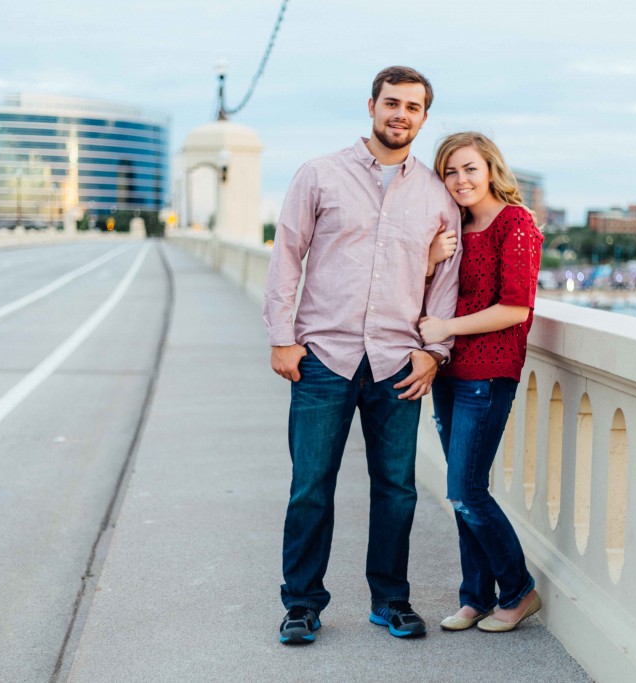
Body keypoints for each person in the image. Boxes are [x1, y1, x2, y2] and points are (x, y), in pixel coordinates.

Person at [262, 66, 462, 645]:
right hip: (324, 356)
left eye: (413, 107)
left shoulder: (435, 195)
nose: (401, 115)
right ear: (371, 106)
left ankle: (391, 600)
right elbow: (287, 257)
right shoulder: (319, 175)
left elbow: (443, 283)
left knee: (396, 487)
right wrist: (282, 336)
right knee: (310, 485)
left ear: (424, 117)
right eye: (392, 103)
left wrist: (435, 351)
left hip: (398, 360)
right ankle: (301, 604)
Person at [418, 131, 544, 633]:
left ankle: (518, 592)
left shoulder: (515, 223)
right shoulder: (453, 225)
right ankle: (475, 597)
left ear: (490, 168)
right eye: (450, 171)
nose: (460, 179)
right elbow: (427, 291)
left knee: (467, 490)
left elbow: (515, 307)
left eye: (469, 168)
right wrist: (430, 259)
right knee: (461, 492)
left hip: (489, 373)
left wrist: (447, 328)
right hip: (449, 371)